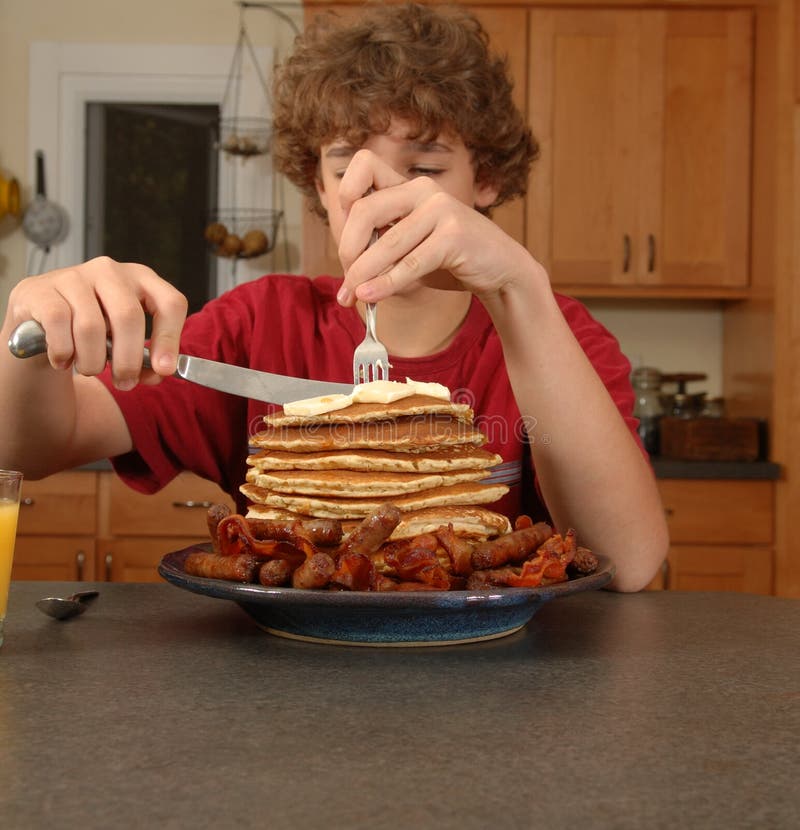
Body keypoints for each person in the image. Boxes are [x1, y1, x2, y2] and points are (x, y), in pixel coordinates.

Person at [0, 2, 668, 591]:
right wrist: (30, 329)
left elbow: (628, 561)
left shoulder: (558, 335)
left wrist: (517, 288)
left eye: (426, 168)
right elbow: (33, 444)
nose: (382, 194)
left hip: (511, 694)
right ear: (318, 187)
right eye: (347, 167)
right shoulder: (259, 325)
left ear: (486, 178)